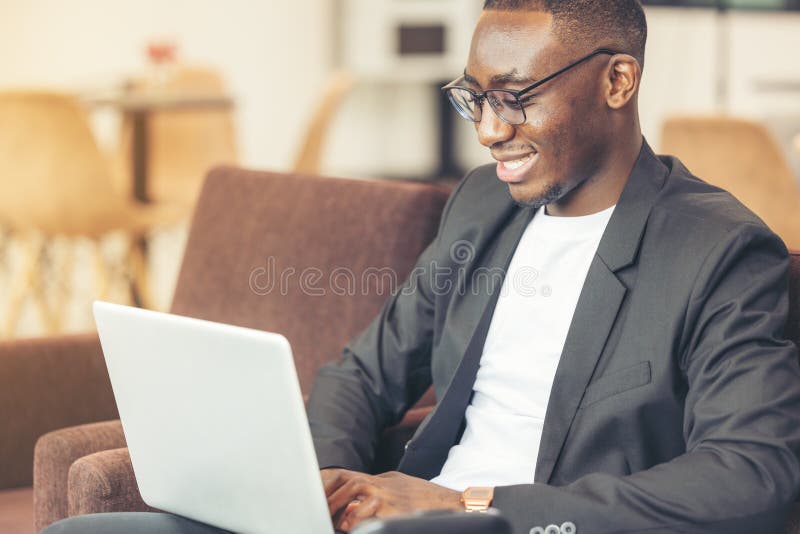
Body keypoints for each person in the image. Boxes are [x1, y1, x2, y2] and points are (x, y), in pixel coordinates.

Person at [45, 1, 800, 533]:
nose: (489, 130)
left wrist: (466, 506)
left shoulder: (721, 253)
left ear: (617, 82)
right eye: (475, 95)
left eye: (517, 98)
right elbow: (362, 376)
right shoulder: (485, 205)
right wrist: (316, 493)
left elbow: (752, 478)